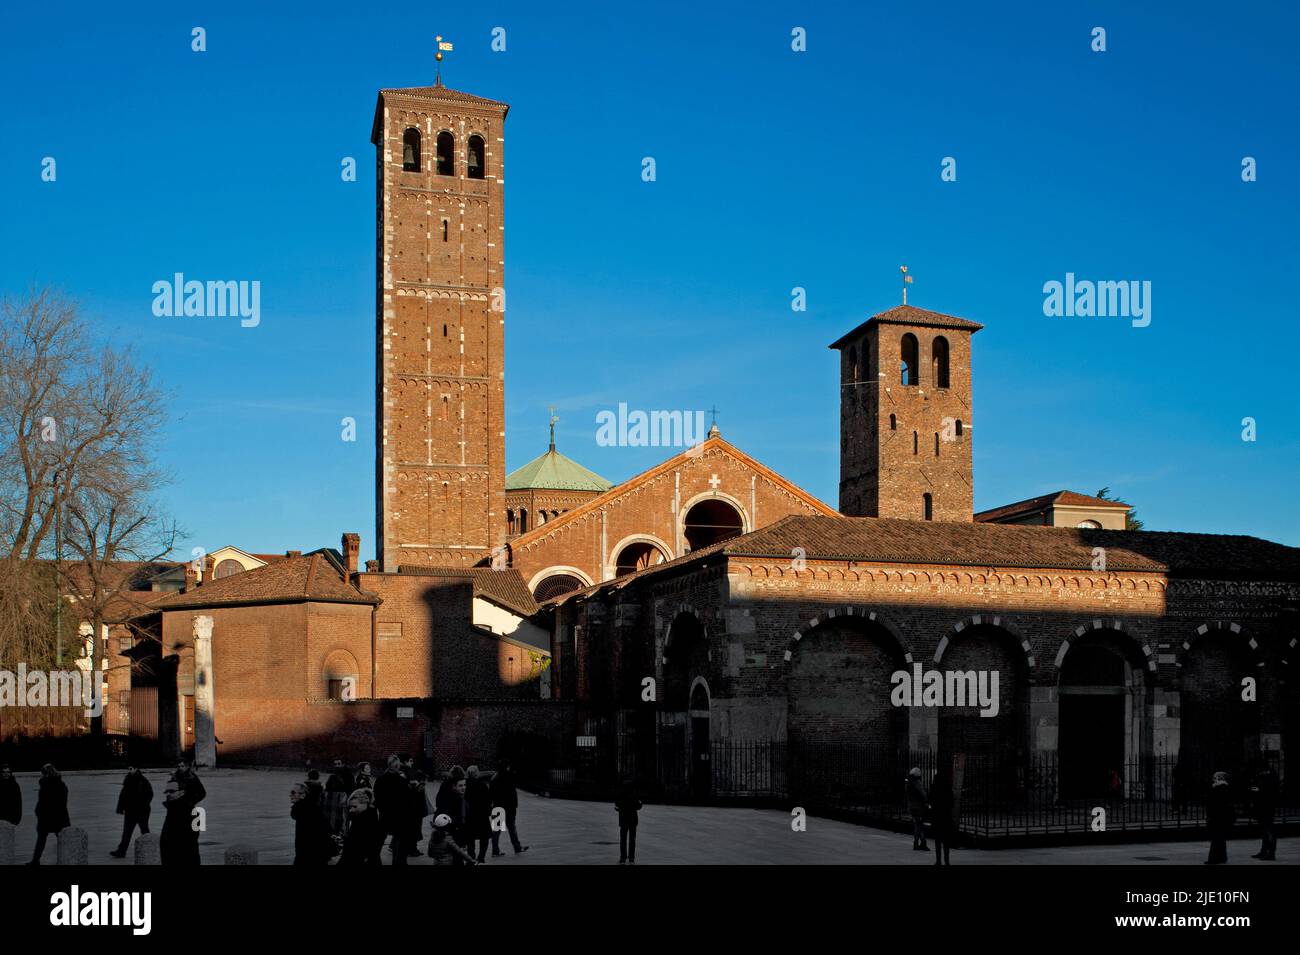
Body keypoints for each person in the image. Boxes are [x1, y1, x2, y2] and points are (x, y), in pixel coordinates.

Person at [26, 764, 70, 865]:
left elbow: (42, 802)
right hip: (60, 817)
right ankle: (68, 858)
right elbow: (63, 803)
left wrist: (38, 811)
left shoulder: (45, 784)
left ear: (45, 774)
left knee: (41, 839)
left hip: (46, 817)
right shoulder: (61, 784)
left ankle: (35, 861)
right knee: (62, 838)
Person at [110, 766, 154, 858]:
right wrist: (120, 807)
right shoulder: (128, 779)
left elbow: (150, 794)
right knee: (126, 832)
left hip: (142, 811)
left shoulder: (143, 780)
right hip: (130, 811)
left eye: (131, 768)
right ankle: (121, 851)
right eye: (128, 768)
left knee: (144, 830)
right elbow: (123, 795)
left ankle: (151, 848)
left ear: (136, 769)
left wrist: (143, 805)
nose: (129, 770)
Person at [374, 755, 409, 863]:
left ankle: (374, 859)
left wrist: (382, 808)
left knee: (379, 839)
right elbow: (406, 799)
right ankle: (397, 862)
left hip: (385, 813)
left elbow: (377, 797)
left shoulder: (380, 779)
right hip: (399, 815)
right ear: (398, 766)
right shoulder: (402, 781)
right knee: (399, 841)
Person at [159, 775, 201, 866]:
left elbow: (190, 841)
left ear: (182, 792)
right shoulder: (172, 809)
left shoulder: (191, 811)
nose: (168, 794)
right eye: (166, 791)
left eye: (172, 791)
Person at [489, 760, 528, 856]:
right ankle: (517, 847)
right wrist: (515, 806)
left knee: (496, 831)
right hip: (508, 808)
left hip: (497, 807)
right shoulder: (508, 777)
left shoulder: (494, 778)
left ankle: (495, 850)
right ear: (506, 767)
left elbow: (490, 795)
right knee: (512, 828)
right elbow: (512, 795)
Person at [290, 781, 334, 865]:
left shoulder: (303, 810)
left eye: (293, 792)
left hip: (310, 853)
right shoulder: (309, 807)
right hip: (314, 852)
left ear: (303, 795)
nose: (290, 795)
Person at [338, 789, 384, 866]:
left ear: (365, 803)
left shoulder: (368, 821)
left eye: (355, 806)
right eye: (350, 807)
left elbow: (370, 846)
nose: (351, 810)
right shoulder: (360, 817)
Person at [1250, 761, 1279, 861]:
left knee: (1269, 829)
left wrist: (1259, 790)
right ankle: (1264, 851)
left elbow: (1270, 791)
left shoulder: (1270, 775)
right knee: (1264, 830)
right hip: (1263, 806)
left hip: (1268, 806)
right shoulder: (1265, 775)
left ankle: (1271, 853)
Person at [465, 765, 494, 862]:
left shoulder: (465, 785)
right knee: (484, 837)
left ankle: (471, 857)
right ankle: (481, 857)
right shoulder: (482, 785)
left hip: (469, 816)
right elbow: (489, 800)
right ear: (477, 773)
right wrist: (488, 812)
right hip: (482, 816)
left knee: (470, 838)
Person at [1205, 771, 1234, 865]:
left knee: (1216, 839)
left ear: (1219, 779)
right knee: (1221, 838)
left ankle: (1213, 859)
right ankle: (1222, 857)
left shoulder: (1218, 789)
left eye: (1215, 778)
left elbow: (1213, 803)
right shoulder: (1225, 788)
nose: (1213, 780)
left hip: (1217, 817)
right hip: (1223, 817)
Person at [928, 768, 955, 866]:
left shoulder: (934, 787)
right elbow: (952, 802)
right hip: (946, 817)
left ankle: (938, 860)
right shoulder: (947, 787)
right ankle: (947, 860)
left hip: (936, 816)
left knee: (938, 840)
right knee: (946, 840)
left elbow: (930, 800)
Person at [323, 759, 354, 838]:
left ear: (342, 764)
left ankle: (344, 835)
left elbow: (351, 788)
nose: (337, 765)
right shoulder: (332, 776)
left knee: (344, 819)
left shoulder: (349, 775)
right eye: (335, 764)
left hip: (344, 801)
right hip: (335, 803)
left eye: (339, 763)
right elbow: (327, 788)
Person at [615, 777, 641, 865]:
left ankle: (623, 858)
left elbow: (617, 804)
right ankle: (631, 858)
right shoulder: (634, 794)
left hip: (623, 819)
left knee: (623, 839)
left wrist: (620, 809)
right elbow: (638, 806)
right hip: (633, 820)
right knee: (632, 840)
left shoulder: (620, 794)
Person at [905, 767, 928, 851]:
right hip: (918, 807)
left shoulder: (908, 783)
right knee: (919, 825)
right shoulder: (917, 783)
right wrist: (926, 801)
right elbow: (923, 795)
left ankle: (921, 843)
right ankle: (918, 844)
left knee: (918, 825)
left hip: (911, 806)